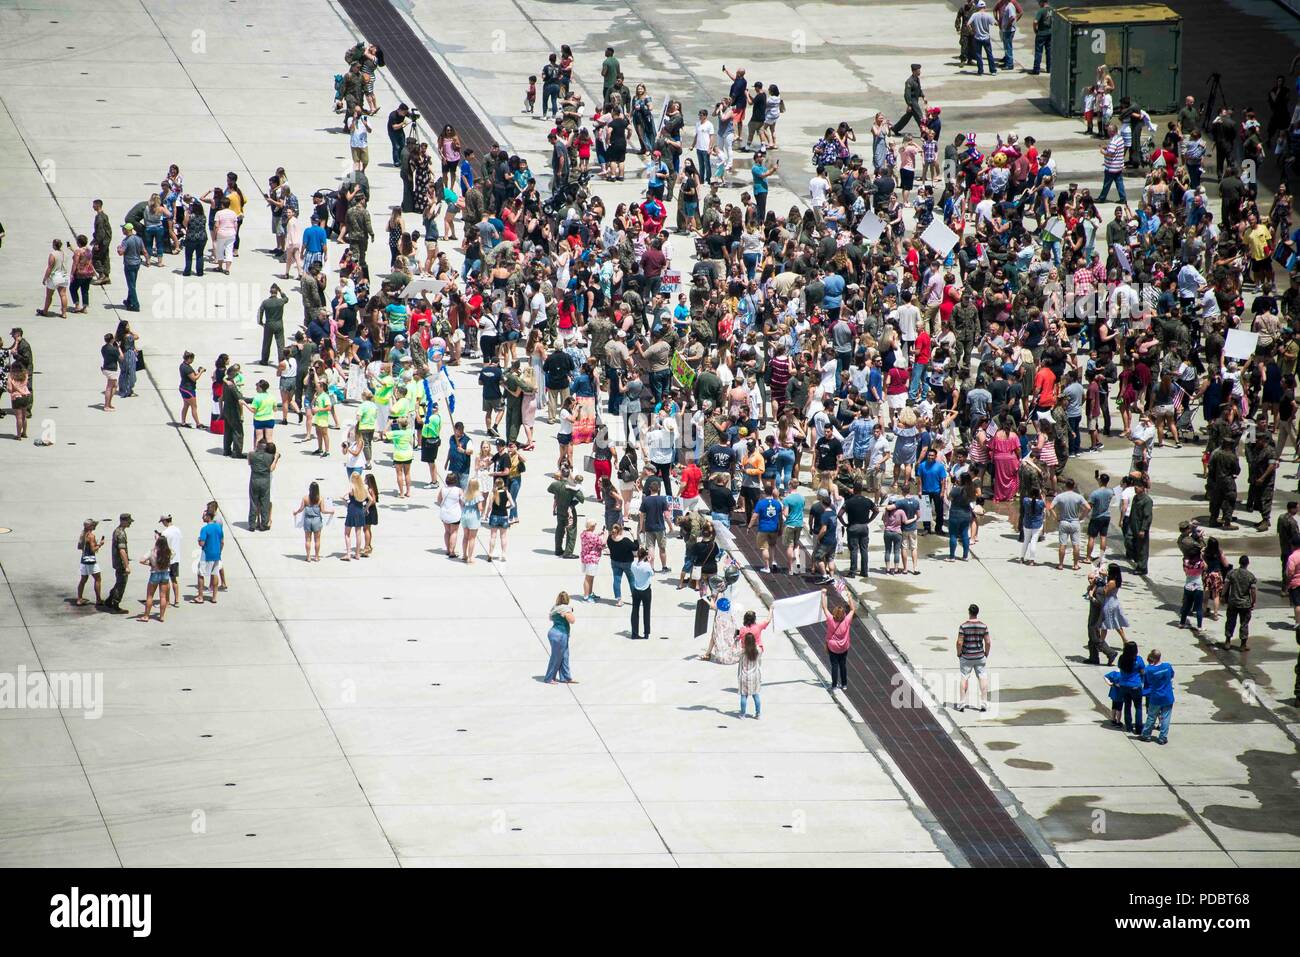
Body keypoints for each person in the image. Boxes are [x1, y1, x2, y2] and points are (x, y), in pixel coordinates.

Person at [956, 603, 991, 712]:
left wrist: (959, 653)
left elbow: (959, 642)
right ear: (977, 613)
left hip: (966, 656)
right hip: (980, 656)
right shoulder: (983, 626)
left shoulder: (963, 626)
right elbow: (988, 642)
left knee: (964, 677)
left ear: (969, 612)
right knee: (982, 677)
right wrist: (986, 653)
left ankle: (962, 703)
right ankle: (984, 703)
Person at [1106, 641, 1146, 733]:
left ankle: (1128, 727)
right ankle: (1139, 728)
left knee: (1127, 706)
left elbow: (1120, 668)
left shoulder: (1121, 658)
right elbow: (1143, 672)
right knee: (1138, 707)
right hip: (1135, 686)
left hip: (1124, 686)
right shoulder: (1138, 659)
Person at [1051, 477, 1090, 571]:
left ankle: (1060, 564)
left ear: (1065, 485)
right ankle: (1076, 565)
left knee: (1062, 544)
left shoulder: (1060, 496)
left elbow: (1051, 507)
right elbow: (1088, 508)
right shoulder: (1078, 496)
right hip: (1075, 522)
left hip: (1064, 522)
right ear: (1073, 486)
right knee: (1075, 544)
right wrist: (1081, 517)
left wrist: (1056, 517)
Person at [821, 590, 856, 690]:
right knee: (843, 665)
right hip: (844, 647)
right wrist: (849, 597)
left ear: (835, 613)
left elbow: (824, 607)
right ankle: (844, 684)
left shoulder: (831, 619)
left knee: (834, 666)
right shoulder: (847, 620)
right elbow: (853, 609)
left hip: (832, 647)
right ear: (844, 614)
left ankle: (834, 685)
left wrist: (823, 594)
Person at [1139, 649, 1175, 745]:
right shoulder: (1167, 666)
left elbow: (1148, 680)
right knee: (1166, 717)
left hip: (1156, 696)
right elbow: (1172, 675)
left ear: (1152, 657)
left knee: (1151, 716)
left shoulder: (1149, 669)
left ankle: (1146, 735)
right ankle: (1162, 737)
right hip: (1167, 696)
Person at [1222, 555, 1257, 650]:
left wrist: (1222, 596)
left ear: (1239, 562)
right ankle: (1243, 645)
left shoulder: (1232, 573)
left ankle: (1228, 642)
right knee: (1244, 623)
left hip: (1233, 602)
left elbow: (1226, 586)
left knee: (1230, 621)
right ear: (1247, 563)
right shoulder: (1251, 576)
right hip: (1245, 604)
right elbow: (1253, 591)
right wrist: (1253, 602)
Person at [293, 481, 334, 562]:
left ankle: (308, 557)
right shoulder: (320, 498)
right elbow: (323, 511)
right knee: (317, 540)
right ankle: (316, 557)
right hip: (317, 520)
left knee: (308, 540)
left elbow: (301, 509)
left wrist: (296, 512)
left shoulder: (305, 498)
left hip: (307, 520)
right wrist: (331, 512)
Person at [136, 532, 172, 623]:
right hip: (165, 573)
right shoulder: (169, 552)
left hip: (155, 573)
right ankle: (162, 616)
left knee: (150, 596)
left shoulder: (152, 552)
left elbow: (141, 560)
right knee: (163, 596)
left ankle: (146, 616)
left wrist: (150, 564)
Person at [543, 592, 577, 684]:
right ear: (567, 600)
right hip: (560, 635)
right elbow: (572, 620)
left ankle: (565, 677)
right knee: (556, 657)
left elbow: (550, 618)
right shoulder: (564, 609)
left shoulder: (555, 608)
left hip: (554, 633)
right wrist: (568, 612)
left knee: (565, 656)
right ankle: (549, 678)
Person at [247, 441, 279, 531]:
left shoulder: (251, 454)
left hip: (254, 480)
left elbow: (249, 463)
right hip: (265, 481)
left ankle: (252, 524)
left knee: (253, 502)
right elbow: (272, 467)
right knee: (264, 503)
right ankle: (264, 524)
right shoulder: (270, 457)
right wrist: (276, 458)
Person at [195, 506, 224, 603]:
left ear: (208, 516)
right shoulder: (218, 528)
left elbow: (202, 543)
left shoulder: (204, 529)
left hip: (207, 555)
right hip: (217, 555)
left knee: (200, 574)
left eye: (204, 516)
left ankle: (200, 596)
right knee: (215, 574)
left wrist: (199, 540)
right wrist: (219, 551)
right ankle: (214, 597)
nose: (202, 518)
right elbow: (222, 542)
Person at [105, 513, 133, 611]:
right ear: (123, 521)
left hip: (117, 562)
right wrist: (127, 566)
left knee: (118, 582)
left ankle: (109, 600)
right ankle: (115, 605)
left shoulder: (117, 531)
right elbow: (122, 551)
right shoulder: (121, 533)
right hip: (120, 563)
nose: (130, 523)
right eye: (129, 521)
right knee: (121, 584)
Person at [702, 596, 742, 664]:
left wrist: (706, 599)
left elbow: (714, 638)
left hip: (723, 658)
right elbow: (738, 632)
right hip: (735, 654)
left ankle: (707, 654)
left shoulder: (718, 621)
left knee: (714, 636)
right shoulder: (732, 617)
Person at [75, 519, 104, 607]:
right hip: (91, 560)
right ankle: (98, 600)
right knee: (98, 579)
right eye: (94, 525)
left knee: (83, 580)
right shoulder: (91, 536)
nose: (95, 526)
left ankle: (79, 599)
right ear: (90, 526)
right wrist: (100, 544)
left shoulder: (82, 534)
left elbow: (79, 547)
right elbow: (93, 550)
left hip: (83, 559)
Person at [1099, 563, 1129, 647]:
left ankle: (1101, 642)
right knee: (1115, 622)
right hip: (1113, 601)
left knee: (1104, 624)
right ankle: (1124, 639)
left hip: (1109, 603)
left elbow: (1105, 592)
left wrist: (1103, 579)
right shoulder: (1115, 580)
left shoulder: (1112, 582)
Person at [737, 628, 763, 718]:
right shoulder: (758, 650)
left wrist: (736, 640)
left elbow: (734, 652)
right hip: (755, 676)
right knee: (756, 695)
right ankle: (758, 713)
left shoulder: (742, 652)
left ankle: (743, 714)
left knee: (743, 696)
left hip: (744, 676)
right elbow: (760, 648)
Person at [629, 546, 654, 639]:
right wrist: (649, 562)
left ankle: (634, 633)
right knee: (646, 611)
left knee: (635, 611)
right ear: (645, 556)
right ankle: (646, 633)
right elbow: (652, 573)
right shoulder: (646, 566)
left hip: (636, 589)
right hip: (646, 590)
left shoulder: (633, 564)